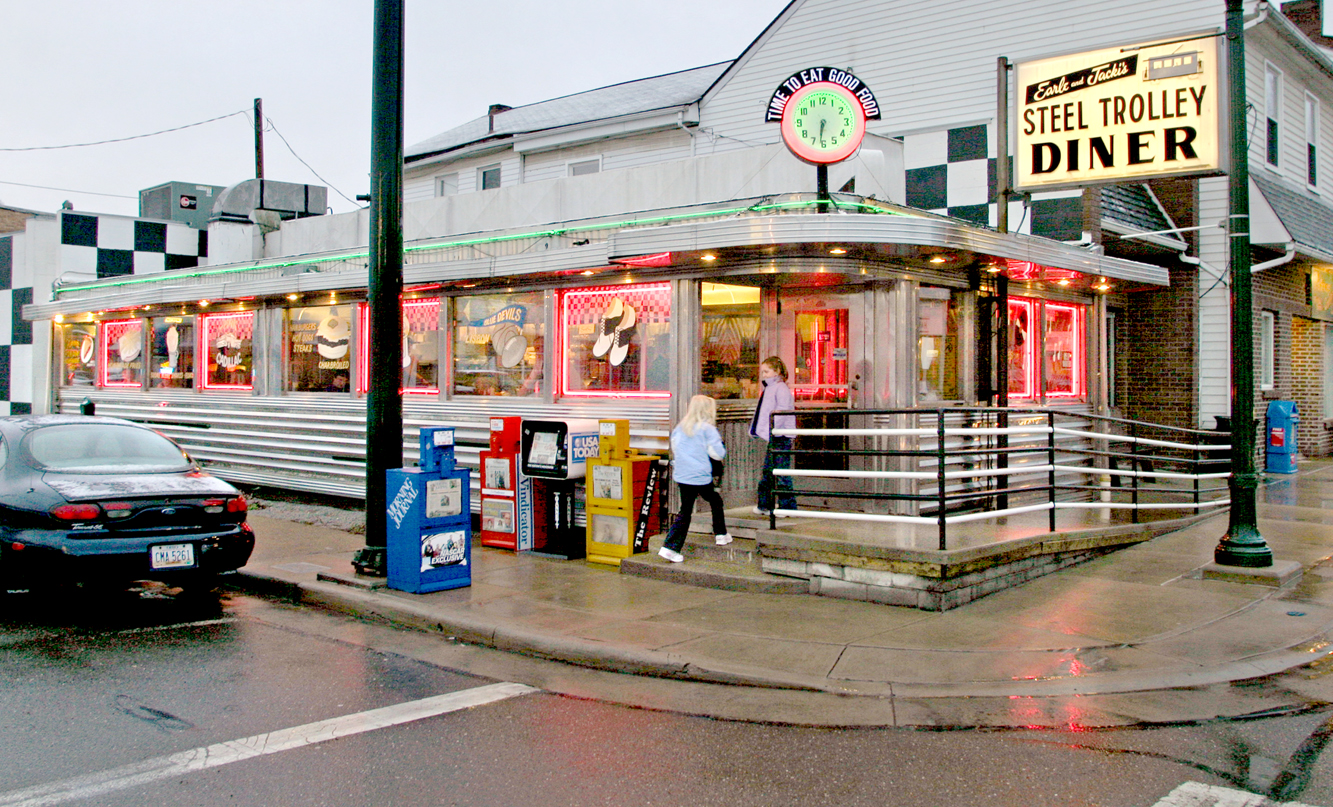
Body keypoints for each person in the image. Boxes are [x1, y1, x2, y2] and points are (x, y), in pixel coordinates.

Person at [659, 395, 730, 563]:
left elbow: (675, 448)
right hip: (700, 475)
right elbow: (718, 453)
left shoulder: (681, 427)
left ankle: (672, 546)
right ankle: (720, 534)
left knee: (686, 510)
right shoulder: (707, 429)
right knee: (714, 500)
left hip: (683, 475)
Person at [750, 356, 796, 516]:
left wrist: (772, 429)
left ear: (776, 371)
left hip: (780, 435)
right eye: (762, 371)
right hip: (776, 434)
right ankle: (767, 504)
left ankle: (785, 506)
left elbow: (782, 410)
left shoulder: (779, 388)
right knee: (770, 471)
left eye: (766, 371)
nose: (764, 374)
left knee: (779, 471)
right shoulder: (772, 387)